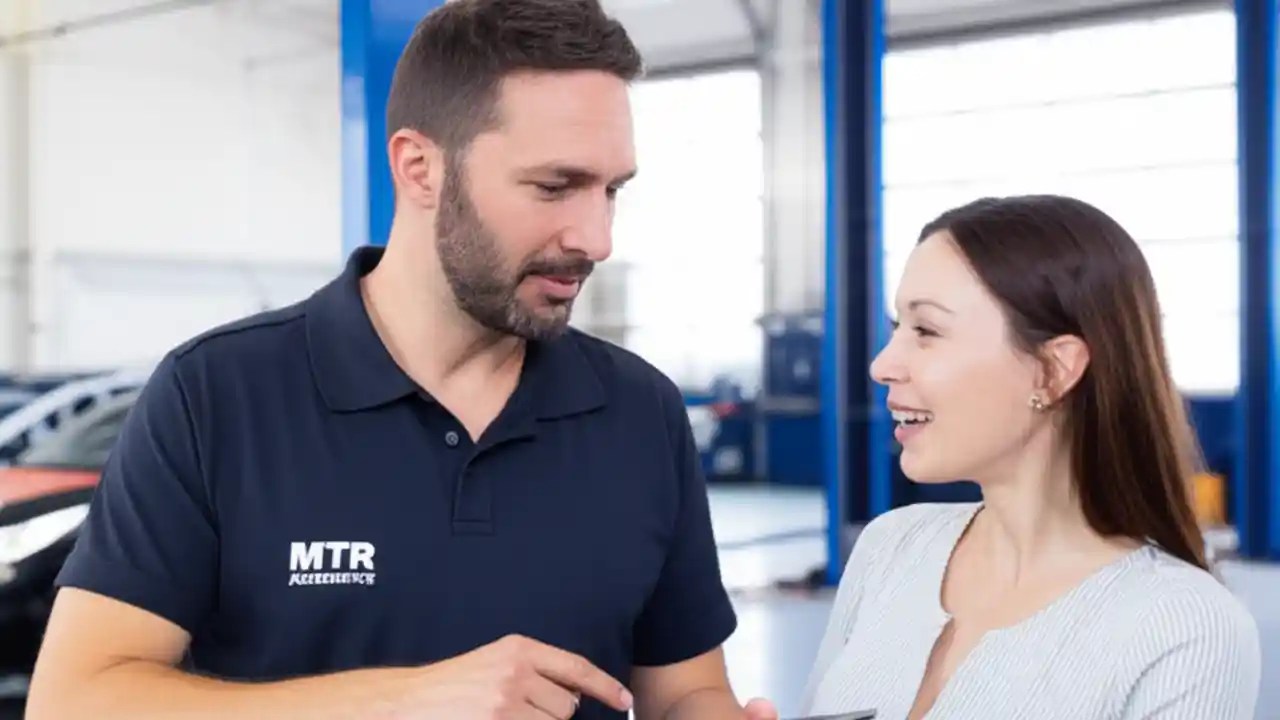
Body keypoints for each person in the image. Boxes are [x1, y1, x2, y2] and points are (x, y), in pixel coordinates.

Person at [25, 2, 778, 719]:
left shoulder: (639, 411)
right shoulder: (216, 397)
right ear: (420, 168)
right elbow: (77, 701)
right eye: (555, 186)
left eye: (612, 190)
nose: (596, 238)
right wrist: (400, 703)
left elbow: (684, 691)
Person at [799, 195, 1262, 720]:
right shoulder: (890, 548)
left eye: (926, 331)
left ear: (1053, 370)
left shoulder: (1185, 628)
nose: (883, 365)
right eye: (895, 329)